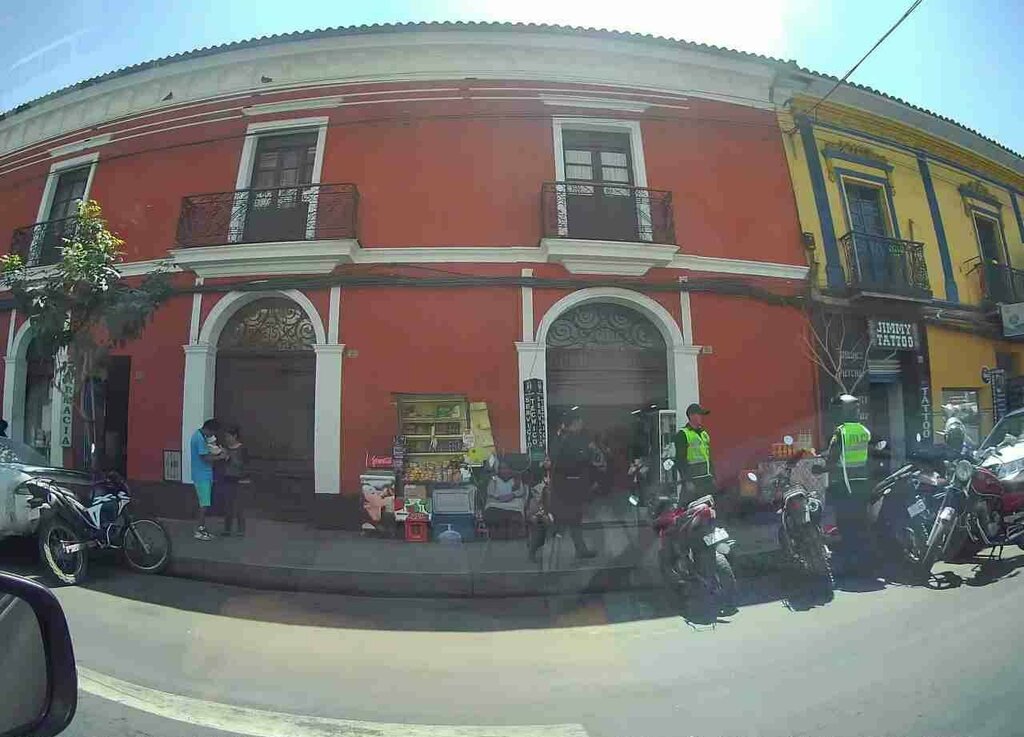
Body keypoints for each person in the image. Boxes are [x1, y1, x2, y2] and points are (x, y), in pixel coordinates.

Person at [529, 411, 596, 562]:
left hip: (571, 486)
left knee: (575, 519)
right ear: (574, 423)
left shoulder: (572, 438)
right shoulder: (564, 439)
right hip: (562, 487)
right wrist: (586, 455)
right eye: (580, 422)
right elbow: (565, 461)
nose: (582, 425)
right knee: (552, 520)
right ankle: (533, 550)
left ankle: (581, 549)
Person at [823, 394, 873, 573]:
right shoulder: (863, 431)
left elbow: (832, 458)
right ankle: (865, 562)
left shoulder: (841, 432)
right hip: (863, 484)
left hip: (844, 485)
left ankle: (851, 565)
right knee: (861, 523)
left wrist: (822, 467)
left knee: (846, 525)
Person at [189, 418, 224, 541]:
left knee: (204, 503)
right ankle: (199, 529)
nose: (213, 435)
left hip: (204, 475)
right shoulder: (199, 438)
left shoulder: (201, 436)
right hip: (201, 476)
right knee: (204, 504)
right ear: (208, 429)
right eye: (213, 432)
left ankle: (202, 528)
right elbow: (205, 458)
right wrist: (221, 457)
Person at [673, 403, 715, 503]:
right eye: (699, 414)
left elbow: (708, 457)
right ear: (691, 416)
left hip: (706, 479)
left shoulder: (704, 434)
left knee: (706, 509)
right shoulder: (683, 434)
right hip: (693, 480)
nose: (701, 417)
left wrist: (713, 475)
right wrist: (687, 480)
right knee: (687, 509)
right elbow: (680, 460)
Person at [218, 425, 250, 537]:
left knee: (239, 507)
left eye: (228, 436)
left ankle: (241, 530)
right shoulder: (226, 448)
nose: (226, 438)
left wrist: (229, 457)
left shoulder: (242, 449)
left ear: (235, 436)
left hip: (240, 480)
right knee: (228, 506)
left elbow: (243, 465)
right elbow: (223, 464)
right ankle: (227, 529)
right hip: (227, 478)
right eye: (225, 436)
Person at [483, 460, 527, 540]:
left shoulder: (516, 479)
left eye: (505, 468)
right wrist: (498, 497)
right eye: (501, 468)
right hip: (496, 503)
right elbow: (490, 492)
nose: (503, 471)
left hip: (513, 504)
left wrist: (513, 495)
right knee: (490, 510)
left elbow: (521, 492)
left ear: (510, 469)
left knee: (517, 511)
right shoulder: (494, 479)